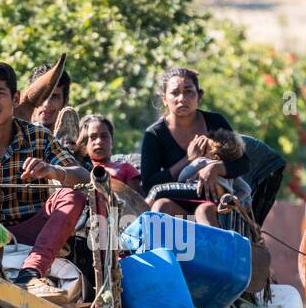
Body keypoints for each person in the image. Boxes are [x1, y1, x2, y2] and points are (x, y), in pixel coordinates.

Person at [0, 60, 90, 302]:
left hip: (34, 233)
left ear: (16, 99)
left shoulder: (38, 136)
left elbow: (84, 177)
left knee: (72, 196)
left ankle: (31, 273)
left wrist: (52, 171)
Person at [139, 66, 250, 227]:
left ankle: (214, 251)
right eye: (175, 92)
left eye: (189, 91)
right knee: (161, 206)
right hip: (176, 203)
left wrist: (216, 168)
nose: (182, 98)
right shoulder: (154, 134)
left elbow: (243, 163)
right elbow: (149, 183)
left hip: (212, 203)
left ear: (199, 96)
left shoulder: (215, 122)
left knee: (204, 212)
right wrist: (188, 159)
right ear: (164, 99)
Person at [77, 114, 142, 192]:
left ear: (112, 141)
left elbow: (137, 201)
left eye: (104, 136)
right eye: (93, 137)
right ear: (83, 143)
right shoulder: (76, 169)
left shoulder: (126, 168)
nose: (99, 141)